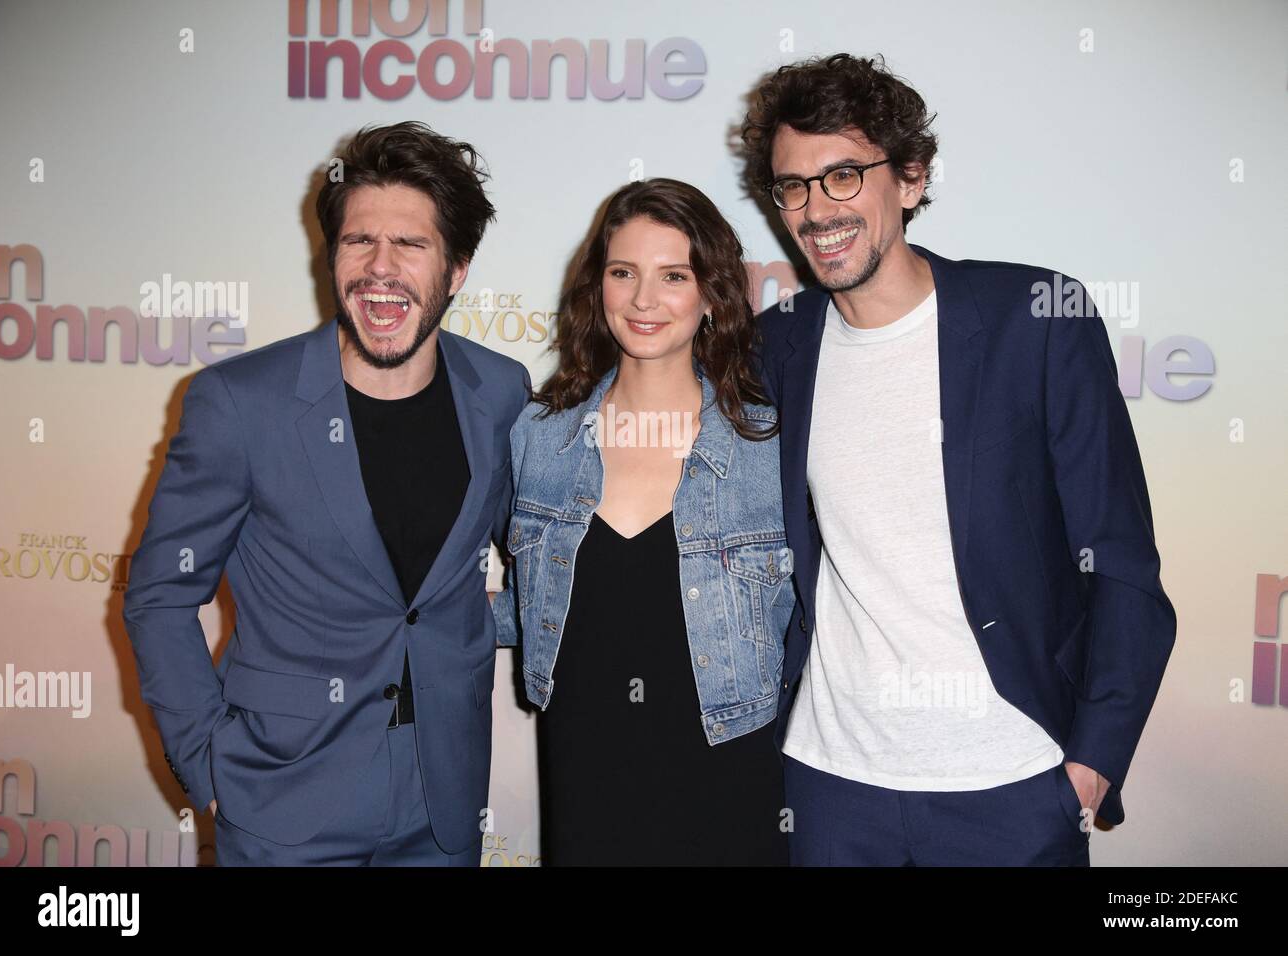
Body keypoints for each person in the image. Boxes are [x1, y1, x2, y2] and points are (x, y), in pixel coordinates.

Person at [739, 54, 1176, 866]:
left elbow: (1120, 561)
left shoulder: (1035, 319)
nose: (813, 209)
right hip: (829, 787)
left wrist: (1087, 768)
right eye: (792, 186)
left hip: (1012, 786)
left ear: (909, 178)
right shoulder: (778, 344)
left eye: (842, 176)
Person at [123, 121, 529, 865]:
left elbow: (531, 564)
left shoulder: (499, 393)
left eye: (411, 244)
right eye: (357, 242)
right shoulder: (240, 403)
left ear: (457, 269)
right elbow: (161, 595)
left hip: (442, 796)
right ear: (330, 255)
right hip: (283, 796)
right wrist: (209, 765)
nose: (381, 269)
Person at [491, 178, 792, 865]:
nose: (644, 300)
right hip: (586, 784)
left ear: (713, 293)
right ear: (597, 287)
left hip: (731, 786)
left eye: (673, 276)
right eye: (623, 272)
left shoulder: (767, 448)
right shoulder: (539, 438)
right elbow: (532, 600)